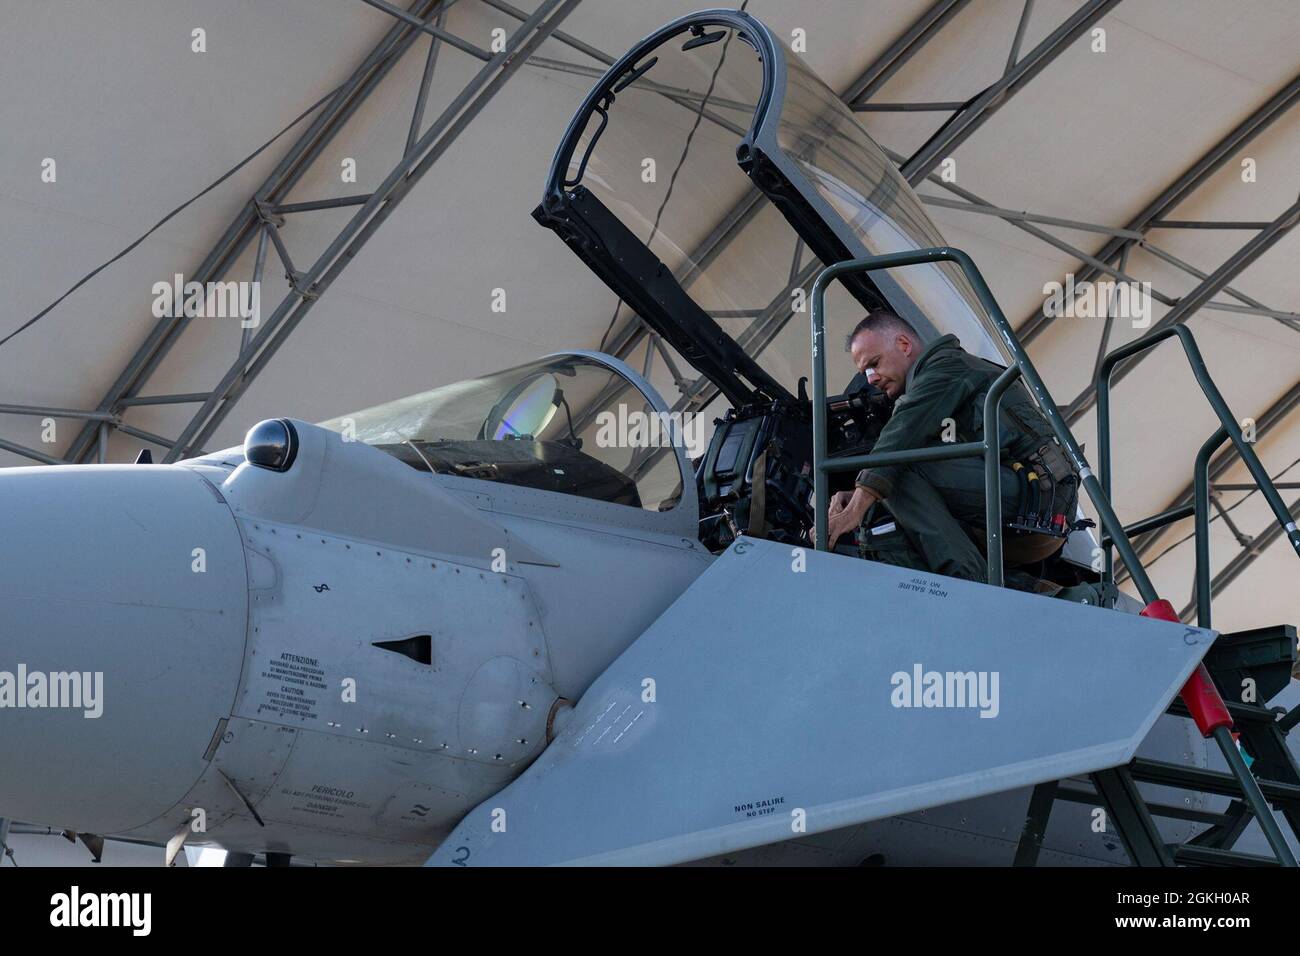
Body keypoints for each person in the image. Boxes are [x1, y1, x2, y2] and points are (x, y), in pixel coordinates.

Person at [823, 309, 1079, 584]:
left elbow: (900, 438)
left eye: (875, 363)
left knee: (896, 468)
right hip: (1025, 499)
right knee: (883, 486)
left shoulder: (945, 367)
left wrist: (853, 511)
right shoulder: (945, 371)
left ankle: (970, 585)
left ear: (904, 345)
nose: (871, 379)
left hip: (1040, 500)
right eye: (866, 372)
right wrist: (858, 495)